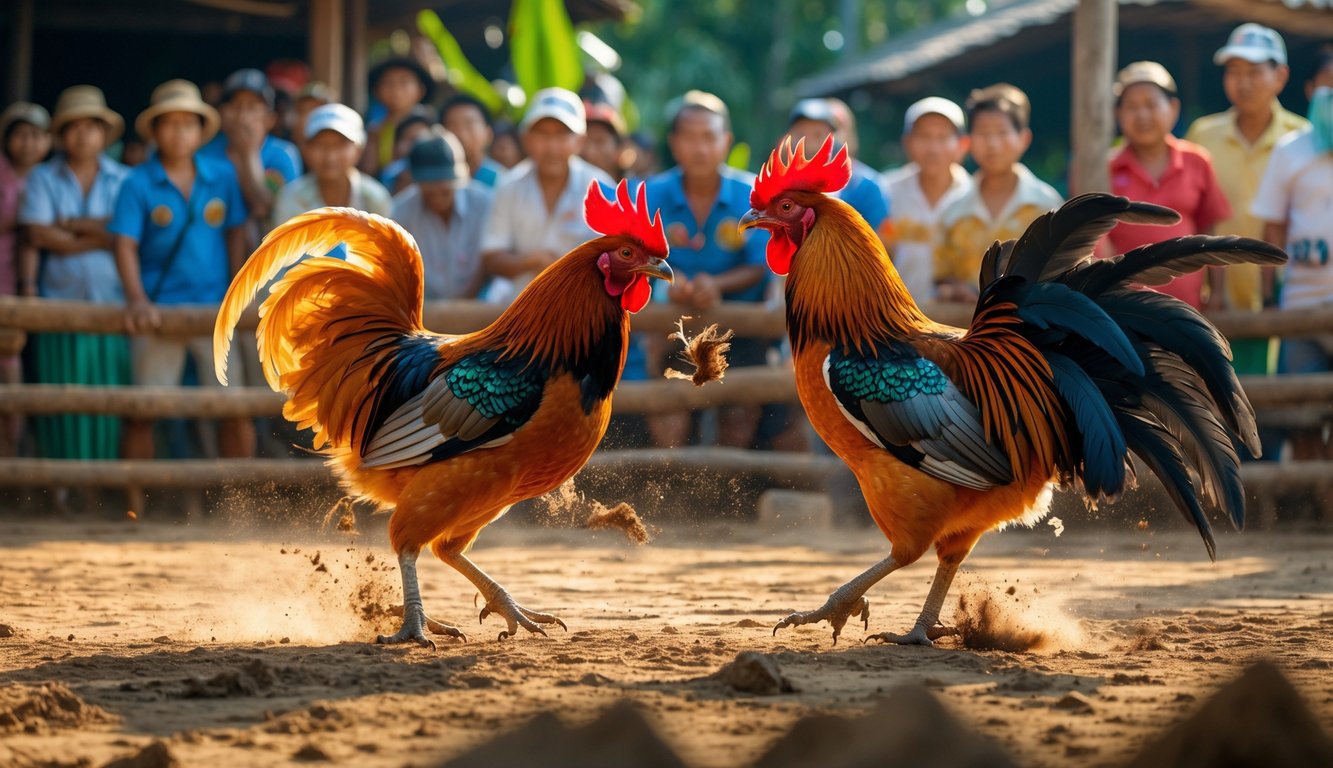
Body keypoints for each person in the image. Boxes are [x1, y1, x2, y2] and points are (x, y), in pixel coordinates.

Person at [109, 79, 254, 463]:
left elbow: (236, 231)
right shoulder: (137, 181)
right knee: (145, 412)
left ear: (200, 130)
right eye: (169, 123)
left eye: (187, 123)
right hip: (158, 309)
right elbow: (124, 244)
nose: (179, 132)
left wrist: (235, 289)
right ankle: (133, 504)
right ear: (155, 131)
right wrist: (137, 301)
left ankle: (240, 502)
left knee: (233, 410)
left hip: (214, 308)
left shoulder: (221, 175)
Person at [642, 91, 768, 449]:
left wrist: (716, 285)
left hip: (740, 326)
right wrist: (674, 282)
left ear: (726, 141)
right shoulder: (651, 193)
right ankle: (672, 483)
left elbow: (760, 265)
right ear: (674, 143)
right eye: (690, 137)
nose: (700, 148)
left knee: (740, 408)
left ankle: (724, 487)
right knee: (668, 402)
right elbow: (636, 256)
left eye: (709, 137)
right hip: (671, 324)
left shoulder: (751, 193)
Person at [1186, 24, 1308, 377]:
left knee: (1286, 410)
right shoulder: (1203, 136)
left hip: (1286, 301)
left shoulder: (1302, 139)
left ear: (1280, 76)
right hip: (1215, 301)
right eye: (1233, 72)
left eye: (1254, 72)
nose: (1243, 82)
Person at [19, 86, 131, 470]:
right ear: (62, 134)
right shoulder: (42, 178)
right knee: (59, 398)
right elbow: (36, 234)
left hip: (113, 304)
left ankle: (102, 484)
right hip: (59, 306)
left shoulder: (125, 180)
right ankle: (61, 488)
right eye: (74, 127)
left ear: (104, 133)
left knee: (110, 397)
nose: (83, 135)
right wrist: (102, 236)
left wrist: (68, 229)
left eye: (91, 126)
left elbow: (127, 236)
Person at [1251, 56, 1333, 463]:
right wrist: (1270, 296)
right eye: (1329, 87)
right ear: (1310, 90)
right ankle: (1311, 511)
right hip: (1301, 302)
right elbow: (1274, 229)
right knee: (1302, 418)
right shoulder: (1290, 150)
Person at [1107, 62, 1231, 311]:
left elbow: (1210, 229)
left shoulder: (1196, 161)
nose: (1142, 115)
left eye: (1151, 105)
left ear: (1173, 109)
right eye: (1131, 107)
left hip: (1188, 309)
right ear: (1118, 115)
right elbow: (1094, 239)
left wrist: (1218, 291)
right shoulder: (1103, 168)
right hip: (1121, 312)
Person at [478, 87, 610, 305]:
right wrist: (532, 261)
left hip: (585, 308)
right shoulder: (509, 186)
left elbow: (620, 257)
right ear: (526, 139)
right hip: (521, 309)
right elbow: (492, 257)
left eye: (561, 135)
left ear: (580, 141)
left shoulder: (602, 188)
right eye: (542, 134)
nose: (551, 146)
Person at [936, 83, 1062, 303]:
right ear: (968, 141)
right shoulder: (951, 209)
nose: (992, 144)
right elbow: (941, 278)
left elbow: (1062, 273)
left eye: (1002, 132)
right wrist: (956, 291)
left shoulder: (1047, 206)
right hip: (966, 329)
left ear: (1024, 139)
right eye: (983, 133)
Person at [882, 97, 973, 302]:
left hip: (958, 325)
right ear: (907, 142)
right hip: (896, 324)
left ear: (962, 144)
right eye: (924, 136)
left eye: (942, 137)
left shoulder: (976, 196)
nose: (933, 148)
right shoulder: (887, 191)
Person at [0, 101, 51, 457]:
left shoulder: (51, 177)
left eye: (36, 135)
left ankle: (18, 455)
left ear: (48, 141)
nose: (28, 143)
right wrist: (32, 224)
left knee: (35, 371)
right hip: (5, 285)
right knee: (9, 370)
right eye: (20, 134)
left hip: (45, 289)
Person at [391, 130, 492, 300]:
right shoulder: (401, 212)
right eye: (429, 184)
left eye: (444, 184)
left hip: (483, 307)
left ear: (460, 177)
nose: (437, 191)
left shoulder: (484, 203)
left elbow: (491, 259)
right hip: (422, 310)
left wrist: (467, 303)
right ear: (417, 182)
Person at [199, 68, 302, 237]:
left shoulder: (284, 155)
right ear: (222, 114)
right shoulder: (205, 155)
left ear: (270, 119)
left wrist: (248, 153)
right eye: (236, 106)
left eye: (252, 107)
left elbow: (266, 209)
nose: (243, 116)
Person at [785, 98, 890, 239]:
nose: (808, 142)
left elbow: (882, 245)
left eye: (817, 134)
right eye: (801, 133)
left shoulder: (867, 186)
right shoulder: (780, 187)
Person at [273, 103, 393, 225]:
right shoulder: (291, 197)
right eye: (321, 145)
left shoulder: (376, 199)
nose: (330, 156)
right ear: (306, 149)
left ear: (358, 150)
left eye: (340, 145)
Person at [361, 57, 432, 178]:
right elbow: (368, 172)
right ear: (377, 91)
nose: (396, 90)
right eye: (388, 83)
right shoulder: (374, 129)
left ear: (420, 90)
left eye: (404, 82)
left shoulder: (430, 126)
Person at [441, 94, 504, 188]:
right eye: (452, 125)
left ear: (488, 133)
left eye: (469, 124)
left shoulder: (502, 181)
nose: (461, 134)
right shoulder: (435, 182)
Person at [380, 104, 437, 193]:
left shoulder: (441, 175)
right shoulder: (392, 174)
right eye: (409, 140)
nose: (415, 146)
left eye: (419, 140)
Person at [581, 101, 628, 181]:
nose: (590, 151)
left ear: (620, 148)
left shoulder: (636, 191)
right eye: (585, 141)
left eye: (600, 141)